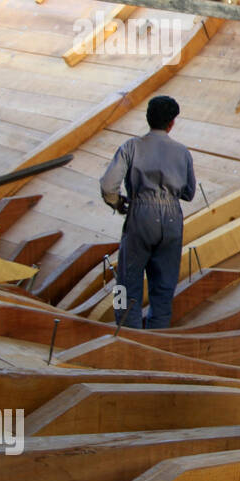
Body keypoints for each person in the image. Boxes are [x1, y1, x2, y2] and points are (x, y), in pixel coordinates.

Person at [99, 95, 196, 329]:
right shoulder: (182, 152)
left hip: (141, 214)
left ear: (147, 118)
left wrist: (118, 203)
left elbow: (107, 185)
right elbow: (189, 193)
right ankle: (156, 338)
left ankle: (125, 333)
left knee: (126, 282)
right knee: (164, 284)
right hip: (172, 217)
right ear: (171, 123)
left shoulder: (131, 147)